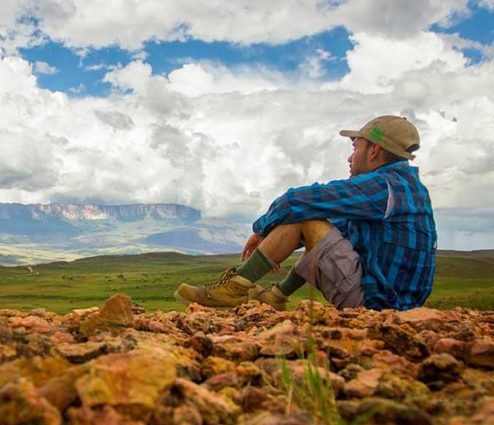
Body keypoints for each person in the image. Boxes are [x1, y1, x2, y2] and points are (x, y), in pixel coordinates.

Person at [174, 115, 436, 311]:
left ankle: (233, 289)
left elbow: (295, 201)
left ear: (375, 150)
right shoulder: (407, 189)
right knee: (326, 228)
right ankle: (275, 297)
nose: (350, 158)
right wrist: (278, 244)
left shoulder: (383, 187)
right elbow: (334, 234)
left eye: (355, 148)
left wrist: (262, 230)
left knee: (304, 214)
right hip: (396, 301)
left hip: (375, 303)